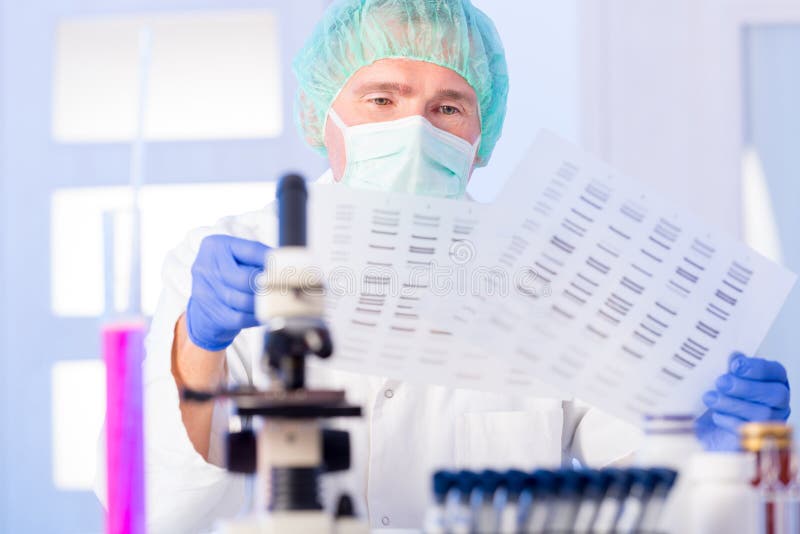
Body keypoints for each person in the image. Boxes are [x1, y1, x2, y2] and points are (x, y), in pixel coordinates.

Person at [95, 0, 792, 531]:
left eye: (448, 106)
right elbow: (155, 512)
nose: (416, 128)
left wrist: (714, 452)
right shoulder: (231, 254)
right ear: (321, 114)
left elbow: (645, 490)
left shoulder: (548, 275)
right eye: (382, 99)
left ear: (481, 135)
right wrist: (201, 346)